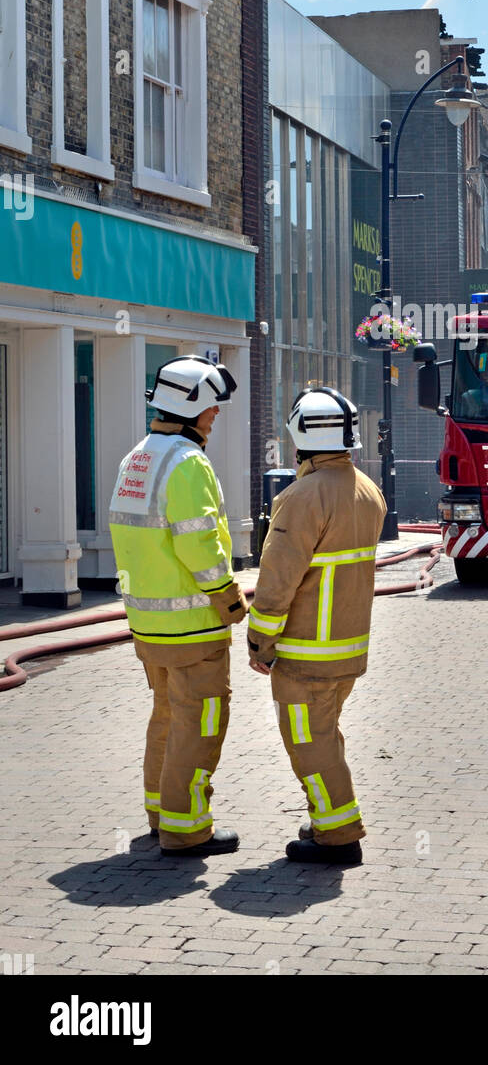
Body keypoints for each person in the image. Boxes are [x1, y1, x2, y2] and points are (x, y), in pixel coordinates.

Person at [109, 356, 247, 857]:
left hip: (149, 626)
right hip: (193, 626)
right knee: (201, 722)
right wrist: (231, 602)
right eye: (212, 409)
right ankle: (186, 830)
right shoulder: (188, 463)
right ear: (191, 410)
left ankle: (159, 813)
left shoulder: (137, 459)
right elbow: (199, 543)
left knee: (166, 717)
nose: (215, 417)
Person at [247, 387, 386, 865]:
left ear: (299, 437)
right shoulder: (368, 491)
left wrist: (259, 642)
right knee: (324, 733)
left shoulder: (302, 497)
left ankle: (338, 836)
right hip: (347, 652)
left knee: (309, 743)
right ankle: (326, 818)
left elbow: (277, 580)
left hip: (306, 653)